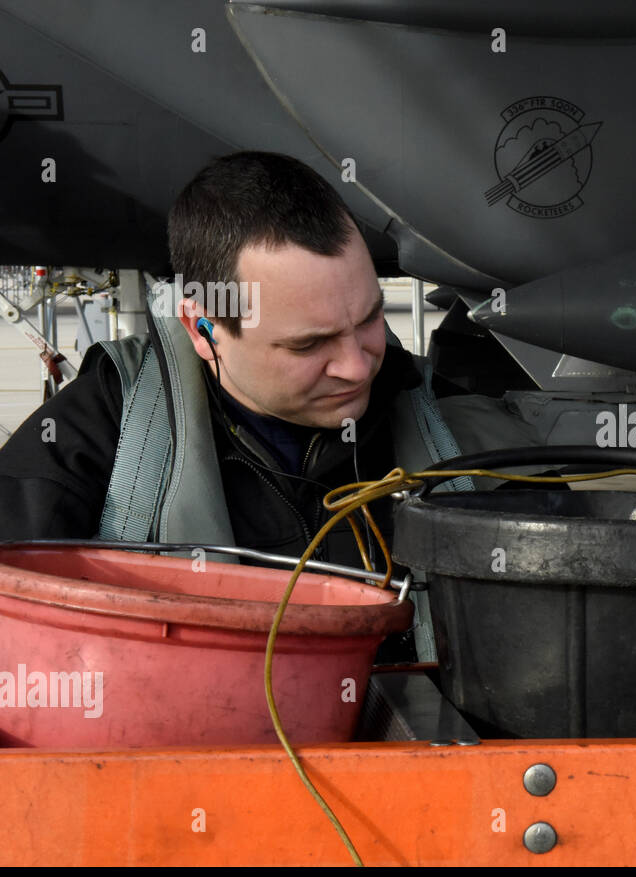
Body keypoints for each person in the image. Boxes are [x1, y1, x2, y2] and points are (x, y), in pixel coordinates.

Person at [0, 151, 538, 659]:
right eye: (309, 344)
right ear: (202, 329)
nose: (355, 366)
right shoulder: (102, 438)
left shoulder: (452, 428)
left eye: (371, 319)